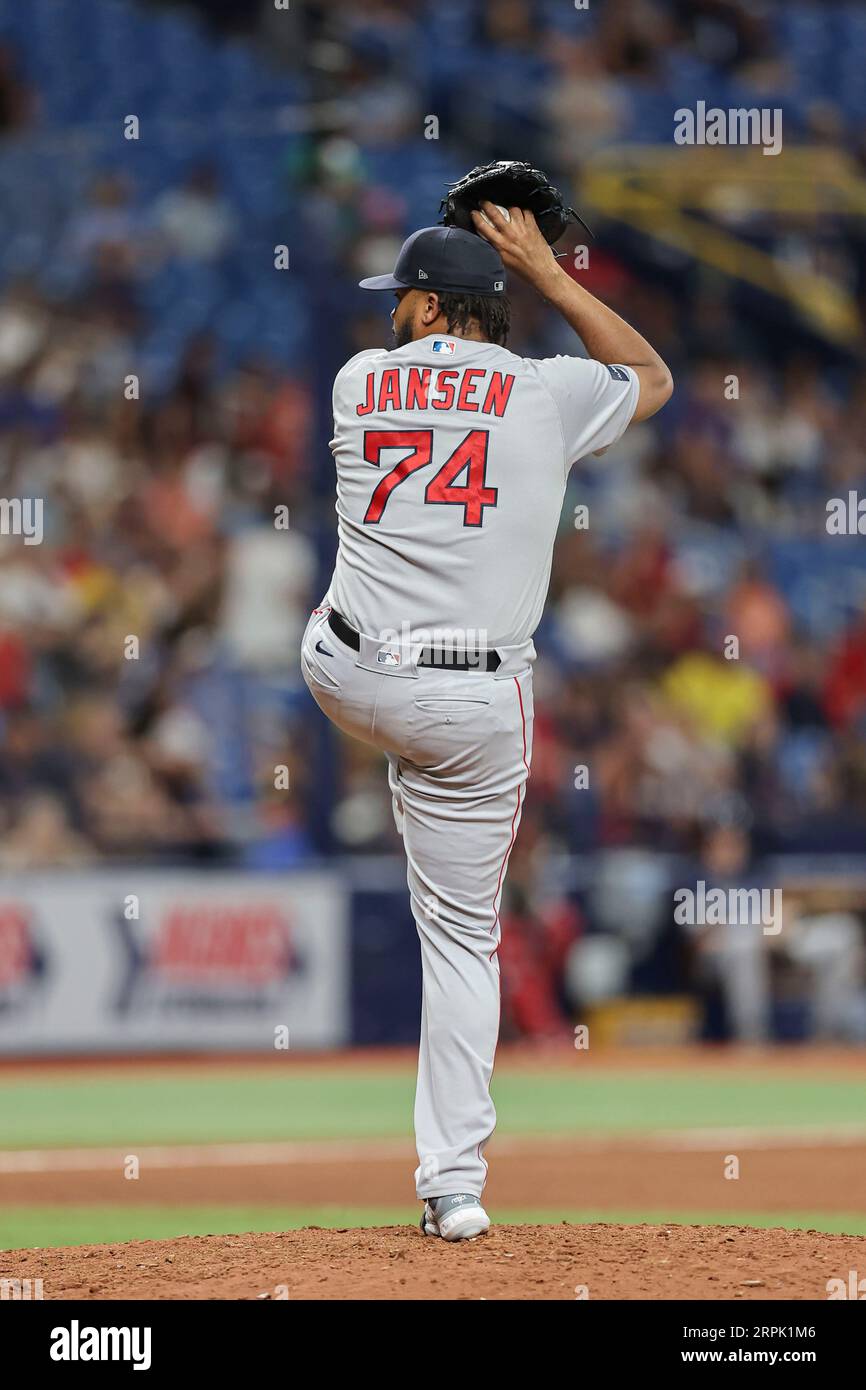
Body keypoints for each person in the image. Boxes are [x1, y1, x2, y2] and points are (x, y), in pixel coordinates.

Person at [301, 203, 672, 1241]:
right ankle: (453, 1189)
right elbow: (651, 378)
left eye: (400, 301)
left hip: (349, 675)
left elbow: (425, 382)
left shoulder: (356, 381)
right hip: (474, 704)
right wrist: (549, 277)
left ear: (424, 305)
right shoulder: (546, 392)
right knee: (462, 940)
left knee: (351, 641)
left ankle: (393, 759)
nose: (391, 318)